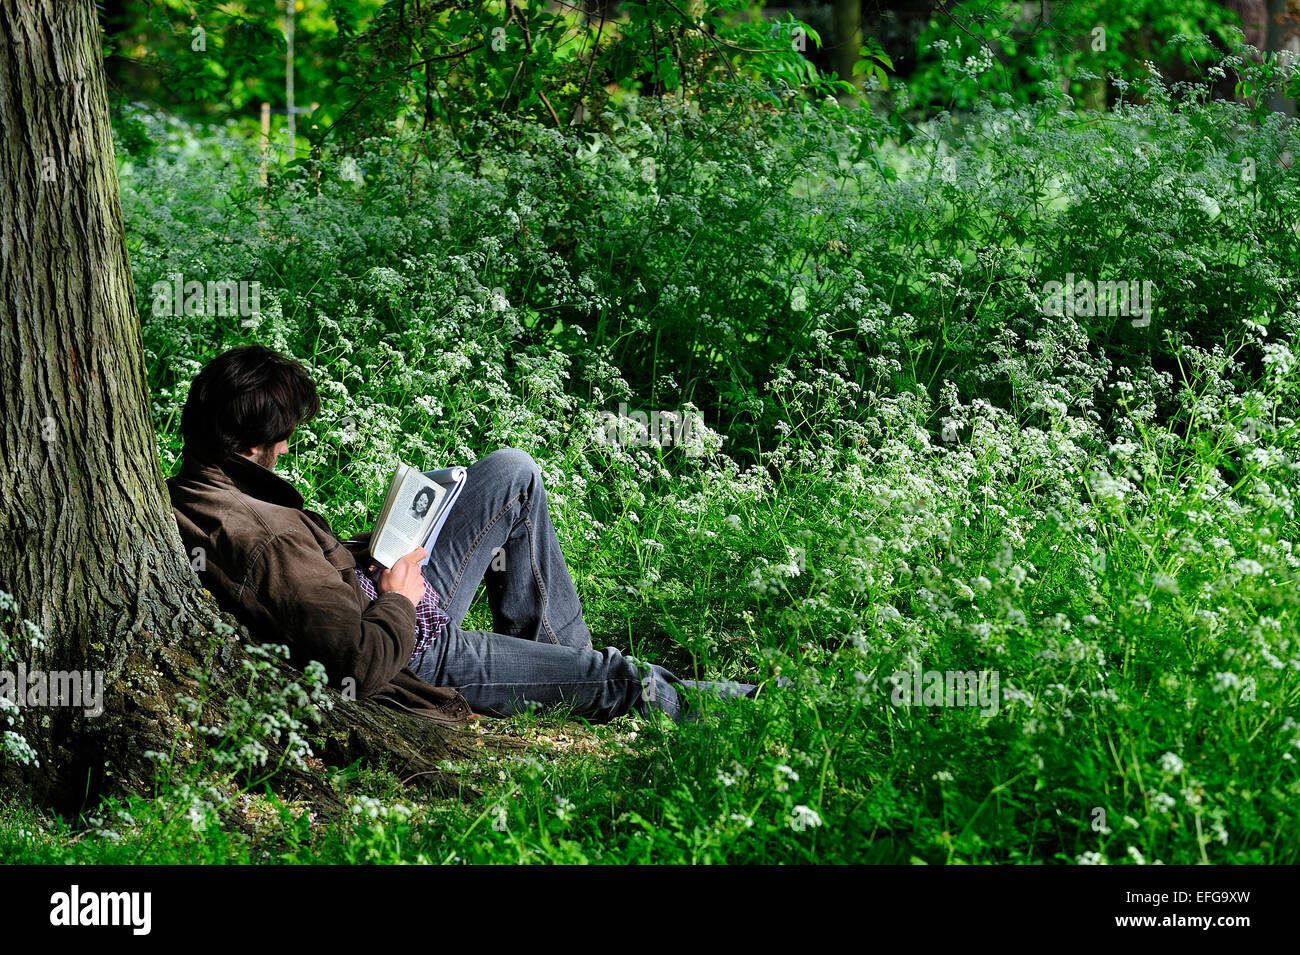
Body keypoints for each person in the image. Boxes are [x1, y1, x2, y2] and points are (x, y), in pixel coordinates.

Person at [167, 345, 762, 726]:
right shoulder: (263, 537)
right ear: (251, 441)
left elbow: (304, 583)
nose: (289, 447)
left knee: (511, 474)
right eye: (284, 435)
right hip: (412, 651)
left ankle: (557, 656)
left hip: (382, 597)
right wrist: (398, 594)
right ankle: (743, 704)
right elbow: (353, 663)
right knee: (615, 677)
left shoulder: (199, 484)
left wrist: (363, 557)